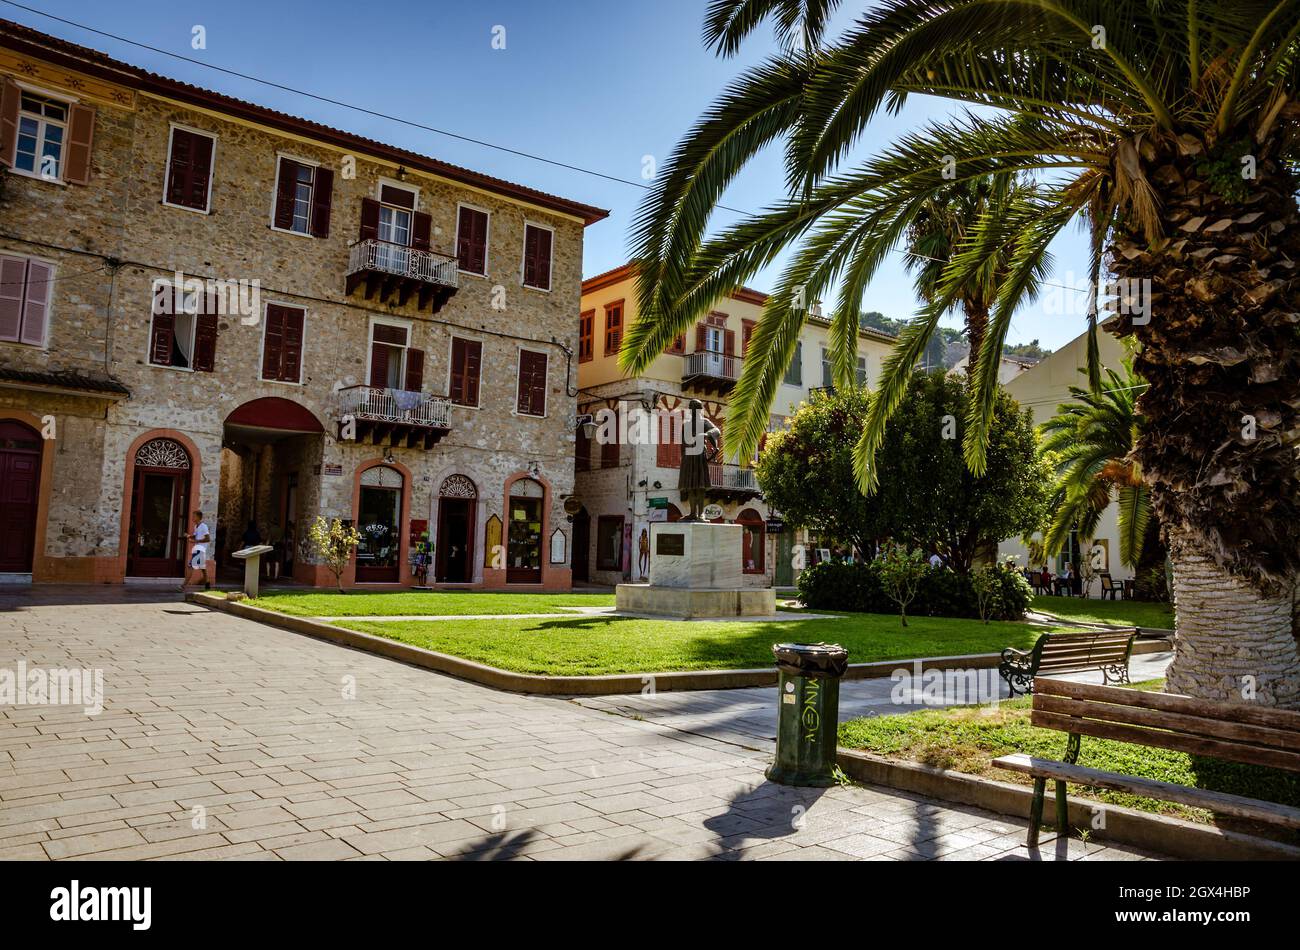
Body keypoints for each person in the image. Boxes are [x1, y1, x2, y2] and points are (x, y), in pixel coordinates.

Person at [185, 510, 211, 590]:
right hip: (198, 549)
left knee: (190, 566)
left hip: (200, 549)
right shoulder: (196, 526)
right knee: (202, 568)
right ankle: (207, 583)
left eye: (194, 516)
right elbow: (196, 536)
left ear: (199, 517)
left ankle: (183, 586)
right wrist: (189, 536)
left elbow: (208, 539)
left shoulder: (204, 526)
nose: (192, 517)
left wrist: (196, 541)